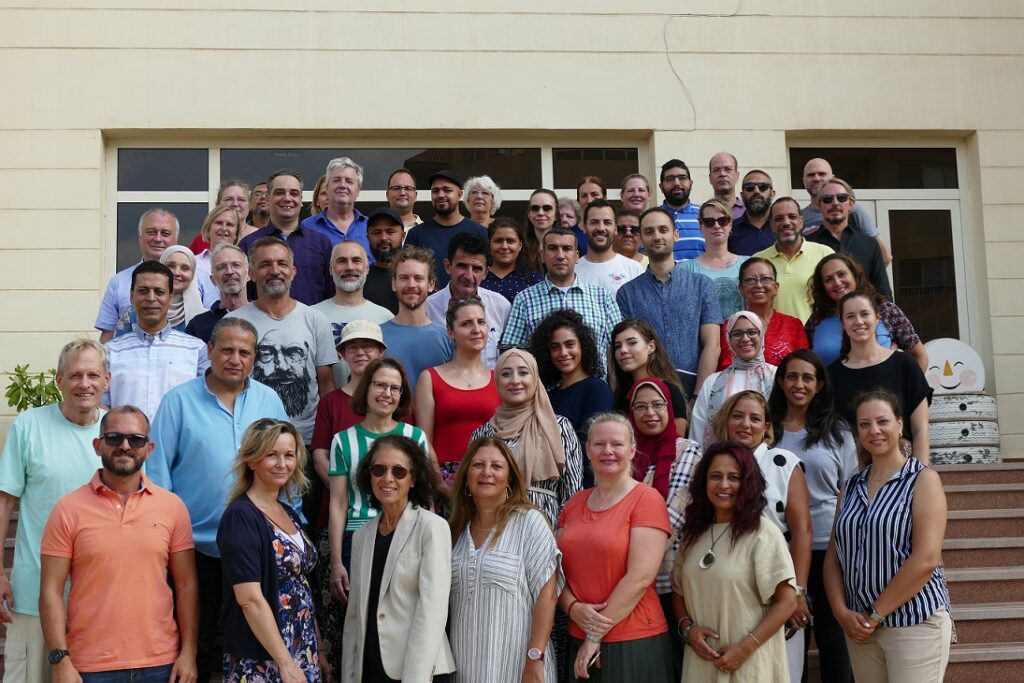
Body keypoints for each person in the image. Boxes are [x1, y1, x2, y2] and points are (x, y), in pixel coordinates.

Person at [149, 316, 288, 683]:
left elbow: (286, 467)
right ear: (209, 350)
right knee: (194, 649)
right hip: (195, 550)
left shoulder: (269, 400)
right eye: (226, 350)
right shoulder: (178, 402)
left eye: (245, 352)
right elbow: (158, 475)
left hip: (257, 548)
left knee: (255, 644)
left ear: (254, 357)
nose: (235, 359)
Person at [39, 405, 198, 683]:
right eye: (114, 438)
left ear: (149, 449)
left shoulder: (172, 508)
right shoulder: (67, 509)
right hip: (89, 667)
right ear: (97, 445)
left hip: (161, 664)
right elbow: (50, 590)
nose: (125, 446)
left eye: (135, 439)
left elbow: (187, 585)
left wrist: (189, 652)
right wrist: (59, 660)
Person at [0, 339, 109, 683]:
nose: (84, 384)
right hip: (33, 594)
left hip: (99, 600)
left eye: (93, 375)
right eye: (75, 375)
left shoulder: (120, 433)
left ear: (107, 379)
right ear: (59, 381)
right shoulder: (28, 426)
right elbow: (5, 501)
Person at [824, 390, 952, 682]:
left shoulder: (923, 479)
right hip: (860, 627)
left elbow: (926, 559)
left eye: (882, 421)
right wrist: (842, 613)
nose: (874, 430)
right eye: (864, 424)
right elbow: (833, 559)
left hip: (913, 623)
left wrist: (876, 614)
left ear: (899, 424)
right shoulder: (850, 487)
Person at [326, 358, 430, 672]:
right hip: (358, 539)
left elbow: (423, 498)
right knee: (362, 626)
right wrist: (336, 561)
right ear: (366, 387)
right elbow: (338, 503)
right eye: (380, 385)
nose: (387, 393)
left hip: (405, 538)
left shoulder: (415, 437)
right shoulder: (343, 440)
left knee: (401, 623)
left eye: (395, 388)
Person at [556, 413, 674, 682]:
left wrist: (594, 634)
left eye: (617, 444)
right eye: (599, 444)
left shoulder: (646, 499)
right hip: (578, 634)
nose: (608, 451)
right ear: (587, 450)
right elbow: (555, 570)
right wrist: (572, 607)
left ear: (632, 450)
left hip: (631, 638)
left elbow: (640, 577)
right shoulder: (574, 503)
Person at [708, 392, 813, 682]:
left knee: (782, 671)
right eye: (738, 416)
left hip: (777, 587)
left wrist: (798, 592)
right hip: (727, 588)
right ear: (726, 421)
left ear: (766, 426)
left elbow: (802, 531)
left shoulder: (783, 463)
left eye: (755, 418)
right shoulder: (712, 465)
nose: (746, 424)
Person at [671, 442, 797, 682]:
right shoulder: (693, 533)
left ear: (748, 483)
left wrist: (744, 649)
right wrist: (688, 629)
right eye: (715, 476)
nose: (724, 485)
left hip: (750, 663)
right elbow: (678, 591)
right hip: (701, 662)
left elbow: (788, 602)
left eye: (734, 477)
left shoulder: (764, 533)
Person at [767, 349, 857, 683]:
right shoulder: (767, 429)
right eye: (792, 376)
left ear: (819, 385)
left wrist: (843, 543)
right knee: (790, 637)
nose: (799, 384)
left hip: (828, 548)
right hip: (779, 549)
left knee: (834, 639)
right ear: (780, 381)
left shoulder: (838, 432)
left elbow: (851, 488)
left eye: (808, 378)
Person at [217, 419, 325, 682]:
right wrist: (285, 663)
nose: (282, 463)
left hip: (302, 647)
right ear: (252, 460)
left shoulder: (288, 513)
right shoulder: (241, 517)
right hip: (265, 656)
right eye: (271, 455)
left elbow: (303, 586)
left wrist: (318, 649)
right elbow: (249, 599)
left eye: (289, 455)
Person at [447, 437, 562, 683]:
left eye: (497, 466)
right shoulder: (454, 531)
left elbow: (548, 596)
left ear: (509, 478)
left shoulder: (529, 522)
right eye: (478, 465)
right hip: (465, 667)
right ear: (466, 476)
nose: (486, 472)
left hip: (519, 668)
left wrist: (534, 658)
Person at [342, 435, 455, 682]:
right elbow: (354, 617)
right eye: (379, 469)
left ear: (413, 479)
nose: (388, 478)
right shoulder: (361, 536)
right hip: (369, 669)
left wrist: (415, 678)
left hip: (420, 670)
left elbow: (433, 610)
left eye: (399, 471)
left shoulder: (432, 527)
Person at [627, 379, 704, 681]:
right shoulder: (625, 454)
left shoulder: (688, 451)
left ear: (670, 409)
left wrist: (623, 539)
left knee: (676, 664)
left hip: (671, 580)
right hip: (630, 583)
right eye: (641, 406)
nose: (650, 413)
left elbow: (672, 515)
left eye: (657, 405)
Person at [226, 237, 337, 446]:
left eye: (282, 264)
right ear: (251, 274)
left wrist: (326, 440)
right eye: (265, 265)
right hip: (252, 443)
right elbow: (225, 386)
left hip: (307, 442)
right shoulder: (233, 323)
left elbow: (326, 385)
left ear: (293, 272)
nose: (275, 271)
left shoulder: (316, 320)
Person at [616, 208, 723, 399]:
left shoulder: (702, 285)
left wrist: (697, 398)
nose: (657, 236)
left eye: (663, 230)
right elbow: (628, 351)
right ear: (641, 239)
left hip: (695, 389)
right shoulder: (627, 293)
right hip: (647, 393)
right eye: (649, 231)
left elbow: (712, 344)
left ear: (676, 235)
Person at [471, 349, 583, 528]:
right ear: (497, 381)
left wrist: (563, 532)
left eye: (523, 373)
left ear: (535, 379)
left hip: (546, 528)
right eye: (506, 374)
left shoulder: (559, 427)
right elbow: (472, 490)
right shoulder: (483, 434)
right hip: (495, 528)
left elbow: (573, 490)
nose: (515, 380)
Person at [827, 291, 932, 462]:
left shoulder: (905, 365)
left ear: (877, 318)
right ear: (842, 323)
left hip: (902, 466)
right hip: (851, 469)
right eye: (850, 316)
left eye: (864, 314)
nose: (858, 321)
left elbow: (920, 430)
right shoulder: (831, 375)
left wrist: (920, 473)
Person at [501, 228, 623, 374]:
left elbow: (619, 347)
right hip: (544, 387)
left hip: (594, 386)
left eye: (567, 248)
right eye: (553, 248)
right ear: (542, 255)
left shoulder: (602, 297)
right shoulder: (525, 299)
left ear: (577, 256)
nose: (560, 256)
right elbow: (511, 352)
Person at [104, 260, 209, 422]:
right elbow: (102, 407)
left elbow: (206, 406)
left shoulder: (196, 350)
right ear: (132, 296)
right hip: (124, 438)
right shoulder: (110, 352)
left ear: (170, 298)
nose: (151, 298)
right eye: (143, 291)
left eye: (159, 292)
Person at [416, 296, 501, 485]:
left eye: (481, 322)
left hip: (488, 479)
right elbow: (423, 439)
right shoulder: (430, 378)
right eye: (466, 324)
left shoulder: (499, 379)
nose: (476, 329)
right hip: (444, 479)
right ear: (451, 332)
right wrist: (439, 484)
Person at [807, 252, 927, 369]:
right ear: (823, 287)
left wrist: (909, 383)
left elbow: (919, 356)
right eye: (828, 279)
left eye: (841, 274)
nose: (837, 282)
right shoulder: (817, 319)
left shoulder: (885, 310)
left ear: (854, 276)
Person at [238, 170, 335, 306]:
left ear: (301, 200)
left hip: (312, 319)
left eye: (294, 193)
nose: (287, 198)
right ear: (268, 198)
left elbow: (332, 294)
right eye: (280, 193)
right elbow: (243, 296)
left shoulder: (321, 243)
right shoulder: (248, 244)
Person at [530, 309, 613, 462]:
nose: (563, 353)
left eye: (570, 344)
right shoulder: (548, 396)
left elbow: (593, 446)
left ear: (583, 346)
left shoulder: (597, 389)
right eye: (555, 347)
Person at [312, 241, 393, 387]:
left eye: (356, 261)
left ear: (367, 268)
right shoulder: (312, 315)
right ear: (331, 269)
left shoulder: (385, 317)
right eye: (342, 261)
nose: (349, 267)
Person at [424, 232, 511, 369]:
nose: (469, 276)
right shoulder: (427, 309)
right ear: (448, 266)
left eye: (477, 269)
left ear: (486, 273)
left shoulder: (501, 306)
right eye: (462, 266)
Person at [690, 312, 777, 447]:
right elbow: (698, 431)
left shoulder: (777, 376)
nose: (745, 338)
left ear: (761, 335)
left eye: (752, 332)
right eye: (737, 334)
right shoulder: (713, 382)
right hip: (721, 457)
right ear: (728, 339)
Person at [96, 207, 182, 342]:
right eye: (151, 232)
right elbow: (108, 336)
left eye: (165, 233)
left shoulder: (198, 280)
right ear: (139, 237)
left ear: (176, 239)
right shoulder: (118, 282)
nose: (158, 238)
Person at [379, 246, 454, 392]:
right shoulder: (377, 336)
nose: (411, 285)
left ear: (431, 284)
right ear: (394, 283)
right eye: (404, 278)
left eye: (418, 278)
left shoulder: (447, 338)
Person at [803, 178, 892, 298]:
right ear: (819, 206)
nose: (835, 203)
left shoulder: (869, 244)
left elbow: (883, 292)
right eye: (828, 199)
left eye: (841, 198)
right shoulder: (807, 244)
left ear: (851, 204)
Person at [752, 197, 835, 322]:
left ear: (801, 221)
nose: (786, 222)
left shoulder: (824, 254)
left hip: (814, 332)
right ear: (771, 225)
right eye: (779, 218)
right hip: (771, 333)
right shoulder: (758, 260)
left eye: (792, 217)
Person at [718, 258, 809, 369]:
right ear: (741, 288)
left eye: (765, 279)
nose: (759, 285)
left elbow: (804, 366)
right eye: (750, 280)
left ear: (776, 287)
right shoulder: (728, 328)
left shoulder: (793, 325)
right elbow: (723, 367)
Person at [403, 170, 488, 288]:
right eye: (435, 191)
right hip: (428, 299)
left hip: (470, 299)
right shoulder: (416, 234)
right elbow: (406, 273)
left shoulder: (480, 233)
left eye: (447, 190)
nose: (440, 195)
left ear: (459, 194)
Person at [800, 157, 891, 265]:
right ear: (804, 181)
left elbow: (885, 256)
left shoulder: (853, 210)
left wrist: (861, 275)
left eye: (822, 174)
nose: (816, 178)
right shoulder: (799, 217)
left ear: (832, 178)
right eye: (811, 175)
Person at [608, 319, 688, 434]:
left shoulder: (670, 391)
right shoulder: (621, 394)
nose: (623, 350)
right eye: (617, 346)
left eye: (632, 343)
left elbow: (677, 441)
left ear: (651, 346)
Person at [113, 245, 206, 337]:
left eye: (185, 268)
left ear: (193, 274)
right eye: (171, 266)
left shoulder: (204, 318)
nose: (177, 273)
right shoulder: (132, 314)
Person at [680, 199, 748, 318]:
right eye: (709, 222)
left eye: (723, 221)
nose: (717, 226)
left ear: (730, 224)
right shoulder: (685, 270)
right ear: (700, 226)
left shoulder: (747, 264)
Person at [301, 157, 371, 255]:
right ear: (327, 187)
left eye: (349, 181)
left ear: (358, 190)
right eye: (336, 180)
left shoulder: (371, 227)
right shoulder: (307, 227)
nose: (342, 185)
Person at [575, 198, 644, 295]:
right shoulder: (573, 271)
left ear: (615, 229)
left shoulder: (634, 269)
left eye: (607, 222)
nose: (601, 228)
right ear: (584, 227)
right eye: (594, 222)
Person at [187, 243, 251, 343]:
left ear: (249, 274)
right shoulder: (198, 325)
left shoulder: (265, 317)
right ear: (212, 279)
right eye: (221, 267)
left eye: (236, 265)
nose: (229, 272)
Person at [480, 216, 542, 303]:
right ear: (489, 243)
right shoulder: (478, 277)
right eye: (498, 241)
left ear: (520, 245)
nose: (504, 246)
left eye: (510, 241)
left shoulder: (534, 280)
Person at [193, 205, 242, 306]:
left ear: (236, 233)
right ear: (208, 228)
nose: (224, 228)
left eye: (229, 224)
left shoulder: (244, 265)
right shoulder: (193, 263)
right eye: (219, 223)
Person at [658, 159, 703, 260]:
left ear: (691, 184)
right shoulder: (652, 219)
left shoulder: (706, 217)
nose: (677, 183)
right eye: (670, 179)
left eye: (682, 178)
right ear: (661, 187)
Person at [363, 207, 405, 314]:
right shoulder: (360, 278)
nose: (383, 238)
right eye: (376, 232)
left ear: (403, 236)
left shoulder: (417, 276)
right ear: (368, 238)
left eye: (390, 232)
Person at [728, 170, 778, 256]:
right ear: (742, 195)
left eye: (763, 187)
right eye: (749, 187)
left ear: (772, 194)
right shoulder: (729, 231)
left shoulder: (783, 228)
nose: (756, 191)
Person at [521, 189, 563, 273]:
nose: (540, 213)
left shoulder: (567, 246)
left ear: (556, 215)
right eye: (535, 208)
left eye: (547, 208)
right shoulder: (520, 246)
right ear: (529, 215)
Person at [708, 152, 745, 220]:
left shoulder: (748, 212)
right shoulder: (702, 214)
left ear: (737, 176)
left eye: (728, 169)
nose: (722, 174)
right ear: (710, 178)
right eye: (716, 170)